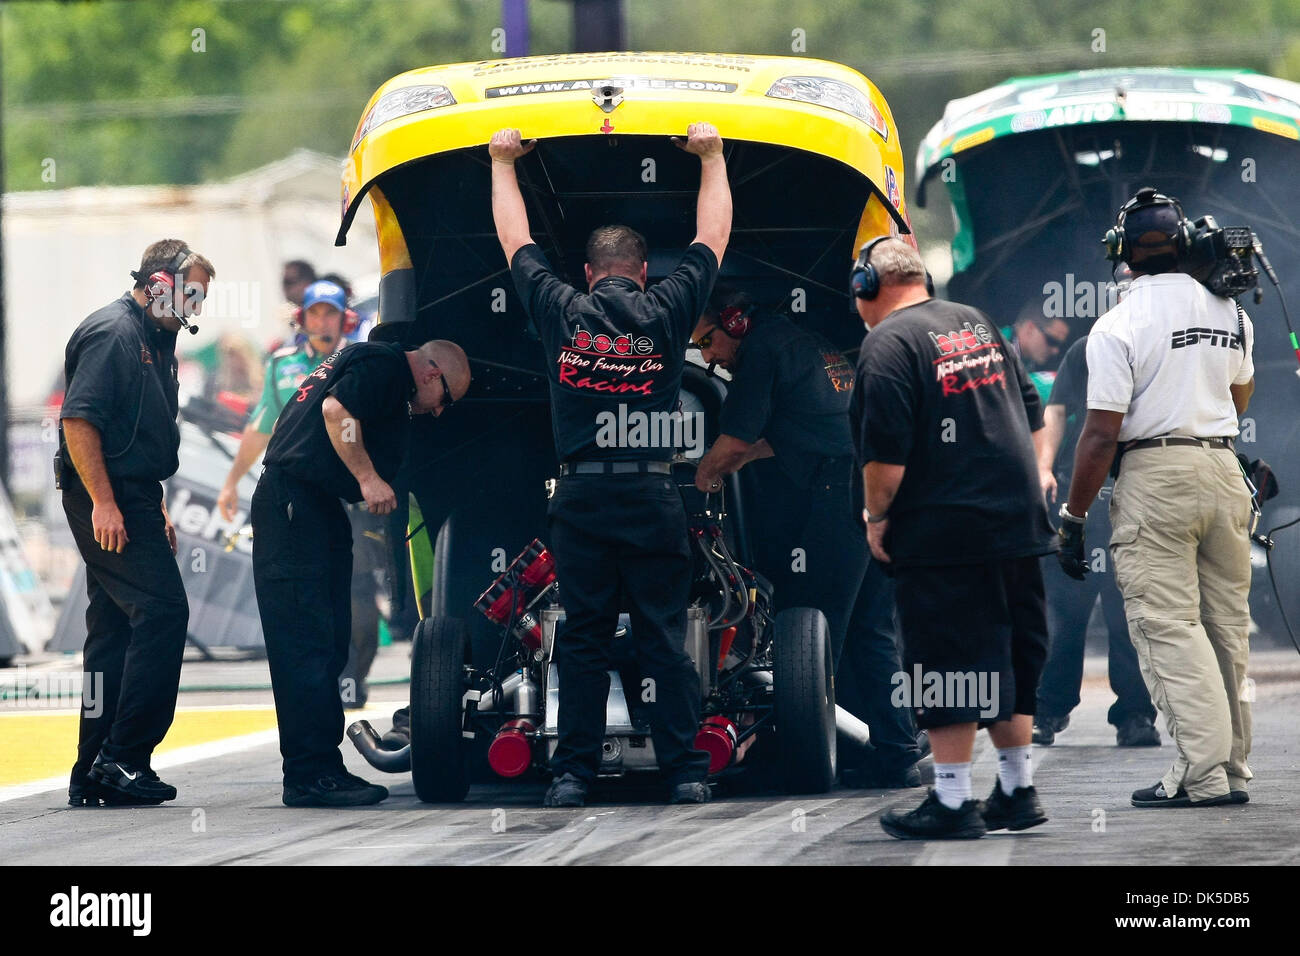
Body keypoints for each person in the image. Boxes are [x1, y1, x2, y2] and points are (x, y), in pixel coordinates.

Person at [490, 123, 730, 807]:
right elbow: (712, 238)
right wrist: (712, 157)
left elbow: (516, 241)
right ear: (644, 270)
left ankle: (573, 777)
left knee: (585, 641)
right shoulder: (667, 309)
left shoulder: (561, 308)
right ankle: (685, 771)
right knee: (663, 638)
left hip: (582, 501)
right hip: (654, 497)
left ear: (589, 274)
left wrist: (502, 163)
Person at [850, 237, 1056, 839]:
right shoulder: (976, 322)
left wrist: (875, 518)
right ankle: (1017, 791)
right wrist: (1031, 478)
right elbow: (1032, 413)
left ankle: (952, 802)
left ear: (867, 285)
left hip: (944, 533)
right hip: (1017, 527)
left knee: (945, 663)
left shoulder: (886, 343)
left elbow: (885, 461)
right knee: (1015, 655)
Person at [1060, 187, 1254, 809]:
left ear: (1121, 254)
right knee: (1226, 627)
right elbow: (1238, 400)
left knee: (1169, 626)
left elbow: (1099, 434)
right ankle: (1230, 770)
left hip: (1155, 477)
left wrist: (1073, 516)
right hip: (1223, 470)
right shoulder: (1233, 313)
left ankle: (1200, 775)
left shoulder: (1117, 325)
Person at [251, 337, 470, 807]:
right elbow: (336, 412)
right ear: (432, 374)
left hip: (313, 505)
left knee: (328, 643)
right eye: (445, 399)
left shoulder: (376, 367)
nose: (437, 411)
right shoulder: (387, 364)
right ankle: (310, 775)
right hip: (294, 504)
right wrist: (368, 477)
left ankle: (322, 769)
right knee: (306, 644)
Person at [60, 239, 215, 806]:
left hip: (133, 494)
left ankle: (92, 770)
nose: (195, 307)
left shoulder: (156, 335)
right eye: (191, 293)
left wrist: (157, 506)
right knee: (163, 611)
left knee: (113, 631)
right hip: (105, 494)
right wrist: (105, 502)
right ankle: (124, 759)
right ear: (158, 283)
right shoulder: (115, 335)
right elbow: (79, 422)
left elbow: (141, 434)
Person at [691, 287, 864, 655]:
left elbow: (735, 440)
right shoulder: (797, 342)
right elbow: (795, 431)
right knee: (869, 631)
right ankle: (874, 714)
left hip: (843, 489)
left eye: (707, 341)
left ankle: (812, 712)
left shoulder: (762, 349)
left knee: (813, 622)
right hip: (872, 489)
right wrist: (741, 458)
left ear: (734, 322)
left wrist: (701, 479)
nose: (708, 357)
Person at [1033, 327, 1160, 748]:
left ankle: (1136, 715)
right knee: (1062, 614)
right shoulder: (1085, 349)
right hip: (1077, 493)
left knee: (1129, 613)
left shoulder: (1159, 344)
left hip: (1135, 494)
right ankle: (1047, 710)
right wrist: (1045, 465)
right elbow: (1057, 408)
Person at [216, 279, 350, 522]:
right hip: (294, 488)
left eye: (331, 313)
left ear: (346, 319)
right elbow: (261, 428)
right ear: (301, 319)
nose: (322, 322)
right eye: (314, 313)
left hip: (345, 491)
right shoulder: (281, 364)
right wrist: (231, 483)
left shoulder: (360, 363)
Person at [1004, 306, 1071, 403]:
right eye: (1051, 341)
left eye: (1059, 345)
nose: (1055, 350)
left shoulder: (1029, 356)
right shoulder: (995, 347)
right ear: (1030, 329)